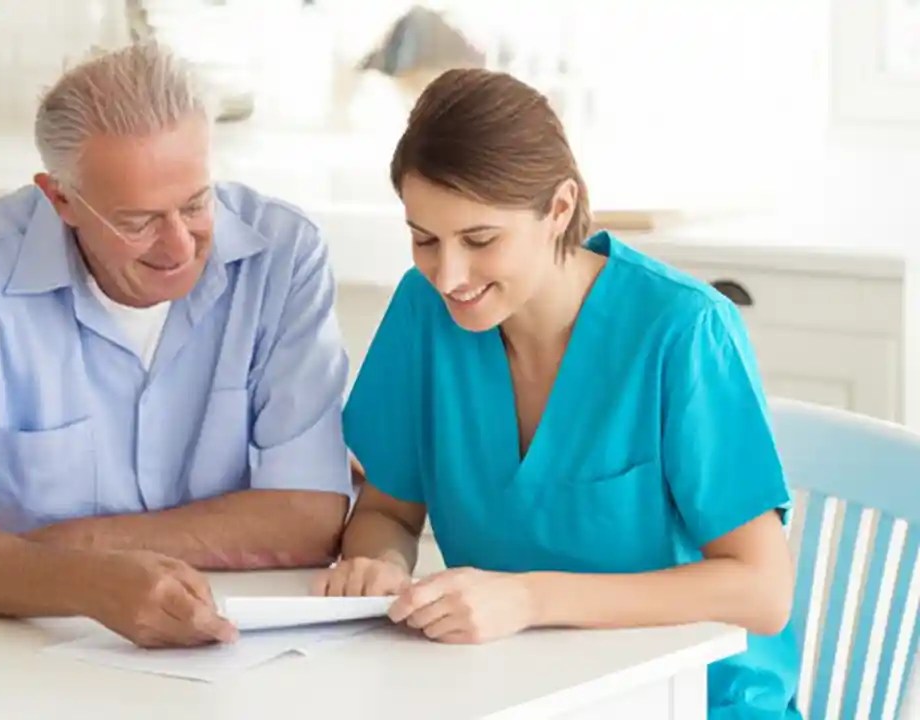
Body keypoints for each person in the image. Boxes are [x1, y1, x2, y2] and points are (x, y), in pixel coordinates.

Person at [317, 68, 800, 718]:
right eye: (424, 239)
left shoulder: (682, 331)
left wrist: (529, 599)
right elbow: (389, 511)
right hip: (513, 692)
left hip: (695, 699)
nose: (449, 275)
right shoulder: (424, 312)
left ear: (560, 209)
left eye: (480, 240)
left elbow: (762, 590)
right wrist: (378, 563)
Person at [0, 42, 353, 648]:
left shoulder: (284, 258)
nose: (179, 245)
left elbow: (308, 518)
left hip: (237, 642)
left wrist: (71, 551)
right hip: (16, 646)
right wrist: (88, 586)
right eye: (138, 221)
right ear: (61, 200)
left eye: (196, 203)